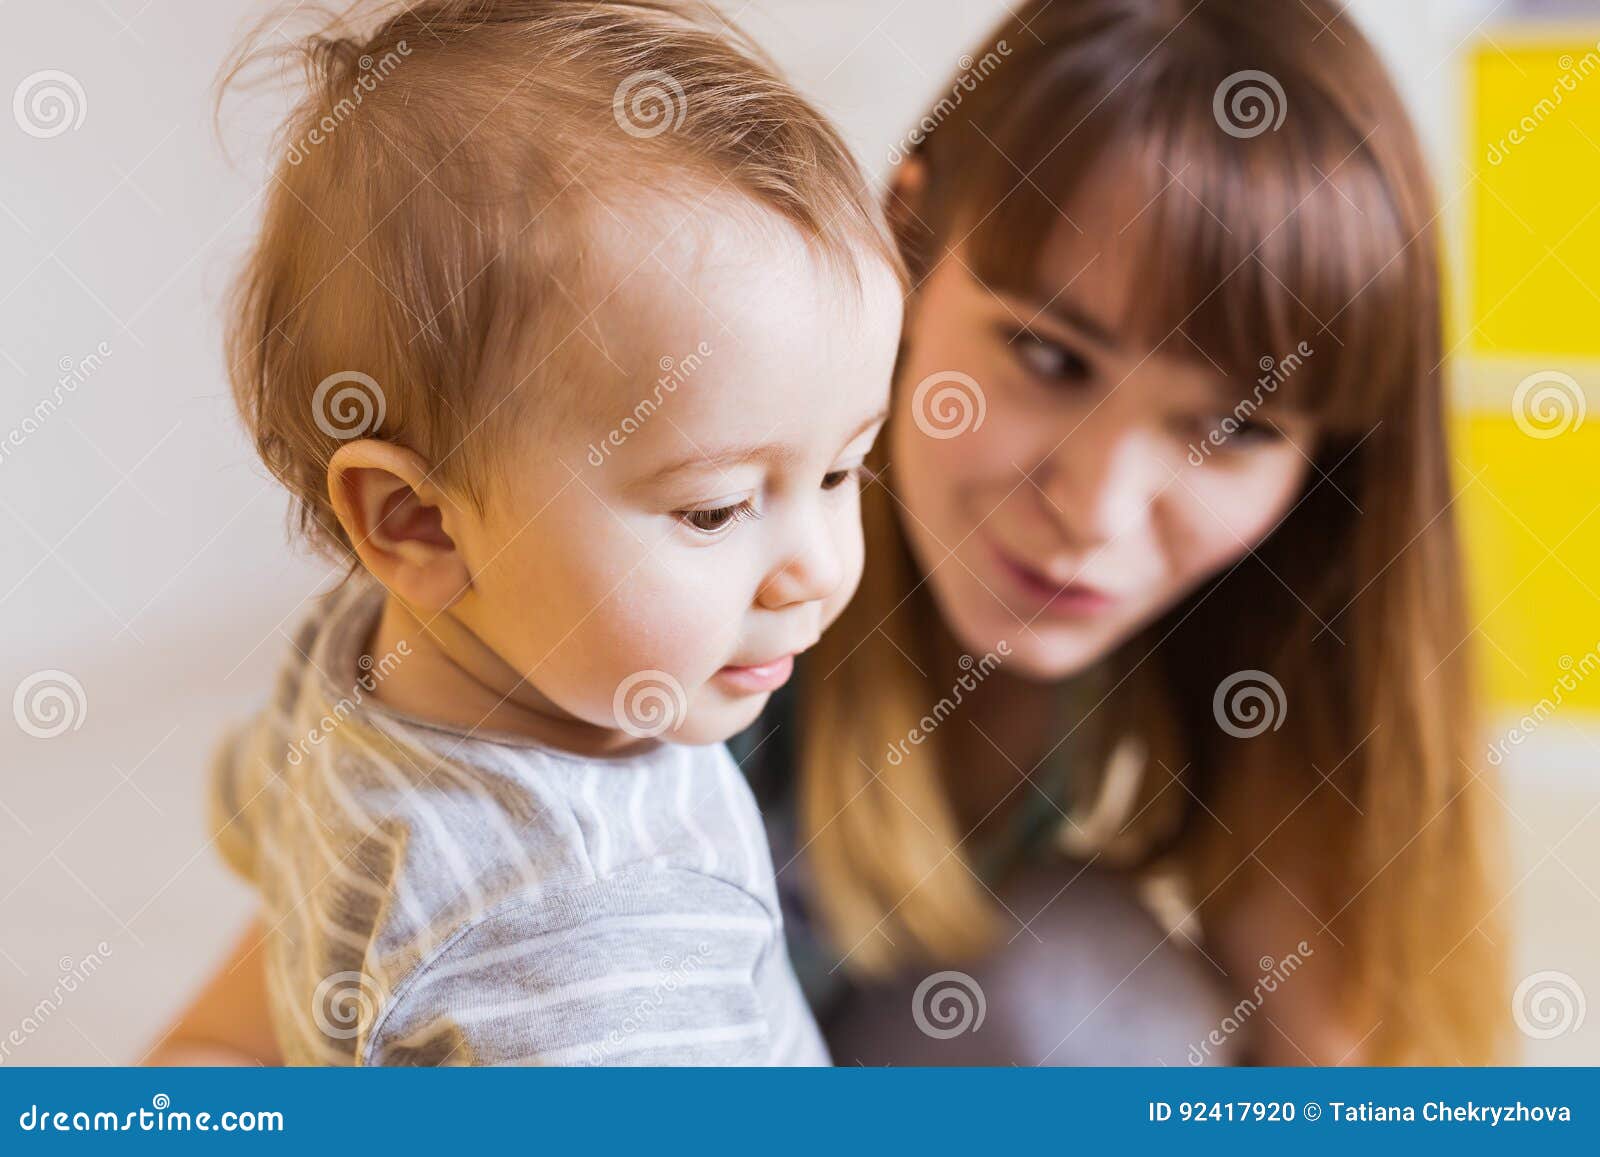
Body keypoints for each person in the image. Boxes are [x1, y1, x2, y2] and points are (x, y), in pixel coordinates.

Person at [151, 0, 1509, 1067]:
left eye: (1231, 428)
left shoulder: (1260, 627)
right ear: (910, 240)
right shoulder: (625, 677)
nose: (1094, 512)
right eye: (1047, 356)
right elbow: (278, 1006)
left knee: (1089, 981)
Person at [195, 0, 903, 1065]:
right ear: (415, 522)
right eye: (713, 509)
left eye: (843, 469)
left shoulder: (349, 651)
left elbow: (259, 815)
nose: (818, 567)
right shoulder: (587, 935)